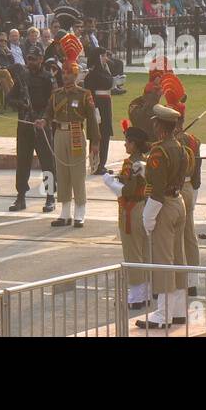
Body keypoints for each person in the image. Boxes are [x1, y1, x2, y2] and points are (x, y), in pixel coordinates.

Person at [137, 104, 191, 329]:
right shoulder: (180, 147)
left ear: (159, 126)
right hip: (178, 202)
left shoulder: (159, 152)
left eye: (155, 122)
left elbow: (157, 193)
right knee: (178, 258)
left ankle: (163, 314)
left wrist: (148, 219)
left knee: (163, 260)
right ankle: (178, 310)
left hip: (164, 206)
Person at [42, 34, 99, 227]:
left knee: (77, 175)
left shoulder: (84, 95)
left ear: (75, 75)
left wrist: (95, 143)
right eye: (64, 73)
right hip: (59, 134)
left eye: (69, 73)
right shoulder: (56, 94)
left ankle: (80, 213)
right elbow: (49, 113)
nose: (66, 76)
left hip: (76, 132)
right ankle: (64, 213)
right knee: (62, 173)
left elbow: (92, 121)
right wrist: (43, 121)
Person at [103, 121, 152, 309]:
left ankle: (135, 296)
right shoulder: (144, 160)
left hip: (131, 209)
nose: (125, 145)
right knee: (144, 251)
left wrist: (109, 183)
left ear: (134, 144)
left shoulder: (131, 163)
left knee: (132, 253)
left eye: (127, 142)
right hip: (143, 207)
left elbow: (127, 190)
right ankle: (145, 293)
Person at [164, 74, 201, 295]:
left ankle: (179, 280)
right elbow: (198, 171)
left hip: (175, 190)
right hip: (188, 188)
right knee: (189, 234)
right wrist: (195, 189)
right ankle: (192, 281)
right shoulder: (193, 139)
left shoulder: (173, 141)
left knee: (175, 236)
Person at [7, 45, 57, 213]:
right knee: (22, 162)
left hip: (42, 126)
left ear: (41, 59)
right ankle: (21, 196)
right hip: (25, 125)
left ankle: (50, 196)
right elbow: (10, 98)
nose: (31, 62)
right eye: (29, 59)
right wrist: (21, 104)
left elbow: (53, 102)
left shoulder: (47, 78)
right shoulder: (22, 77)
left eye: (34, 59)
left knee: (47, 162)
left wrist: (43, 118)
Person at [84, 47, 114, 175]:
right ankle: (96, 164)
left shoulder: (103, 70)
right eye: (103, 56)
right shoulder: (93, 74)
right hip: (98, 106)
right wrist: (94, 109)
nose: (106, 59)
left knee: (105, 133)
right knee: (96, 134)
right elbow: (91, 93)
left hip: (105, 105)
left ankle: (102, 163)